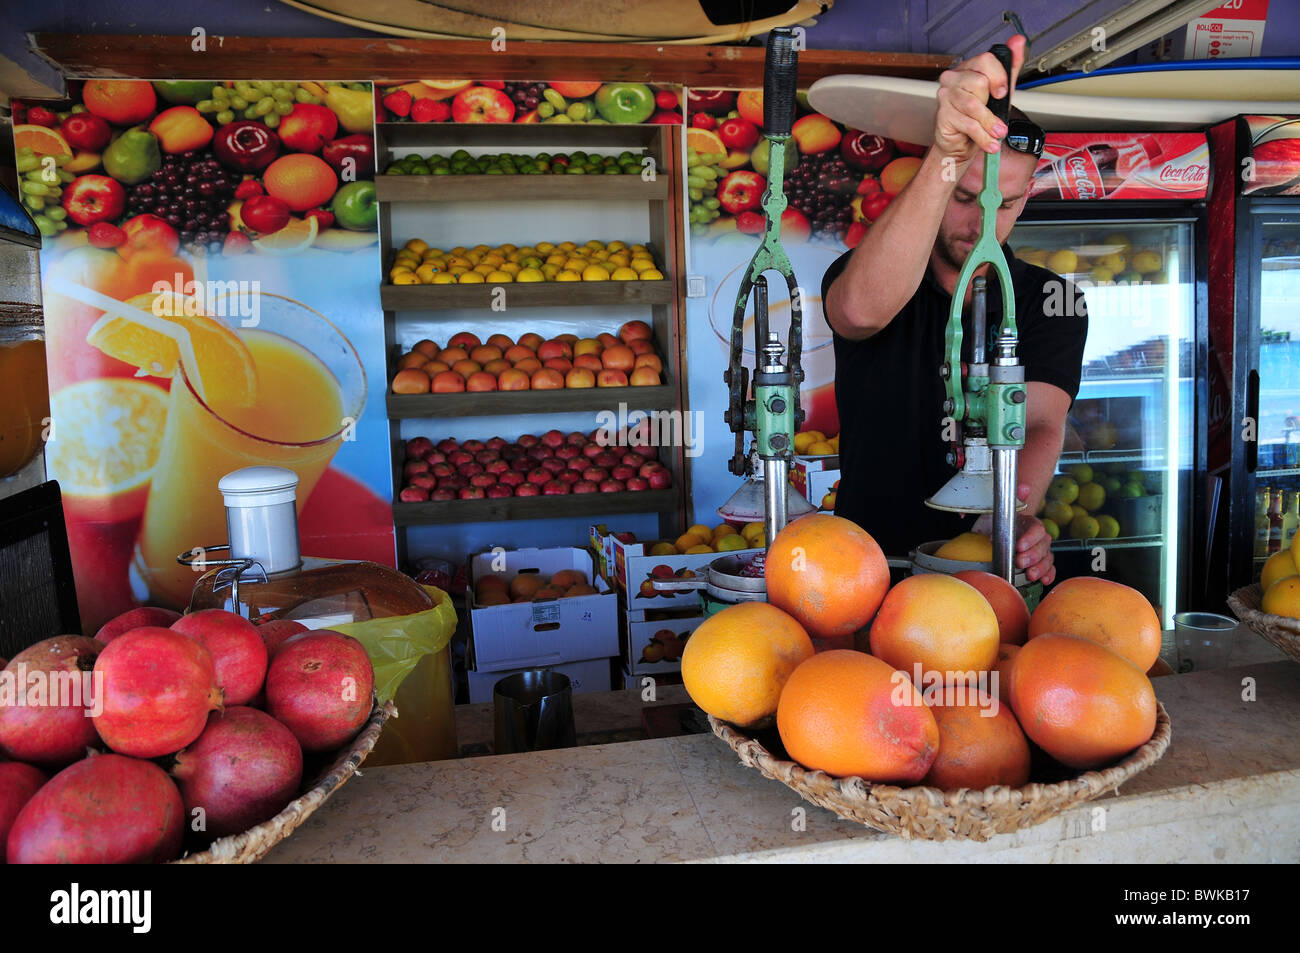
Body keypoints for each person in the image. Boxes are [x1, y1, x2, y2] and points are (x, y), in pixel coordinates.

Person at [821, 36, 1086, 585]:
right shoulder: (873, 272)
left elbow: (1038, 421)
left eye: (1005, 204)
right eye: (964, 198)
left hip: (984, 569)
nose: (983, 224)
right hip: (866, 570)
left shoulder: (1050, 300)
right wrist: (946, 155)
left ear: (1027, 195)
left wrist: (1008, 516)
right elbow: (860, 314)